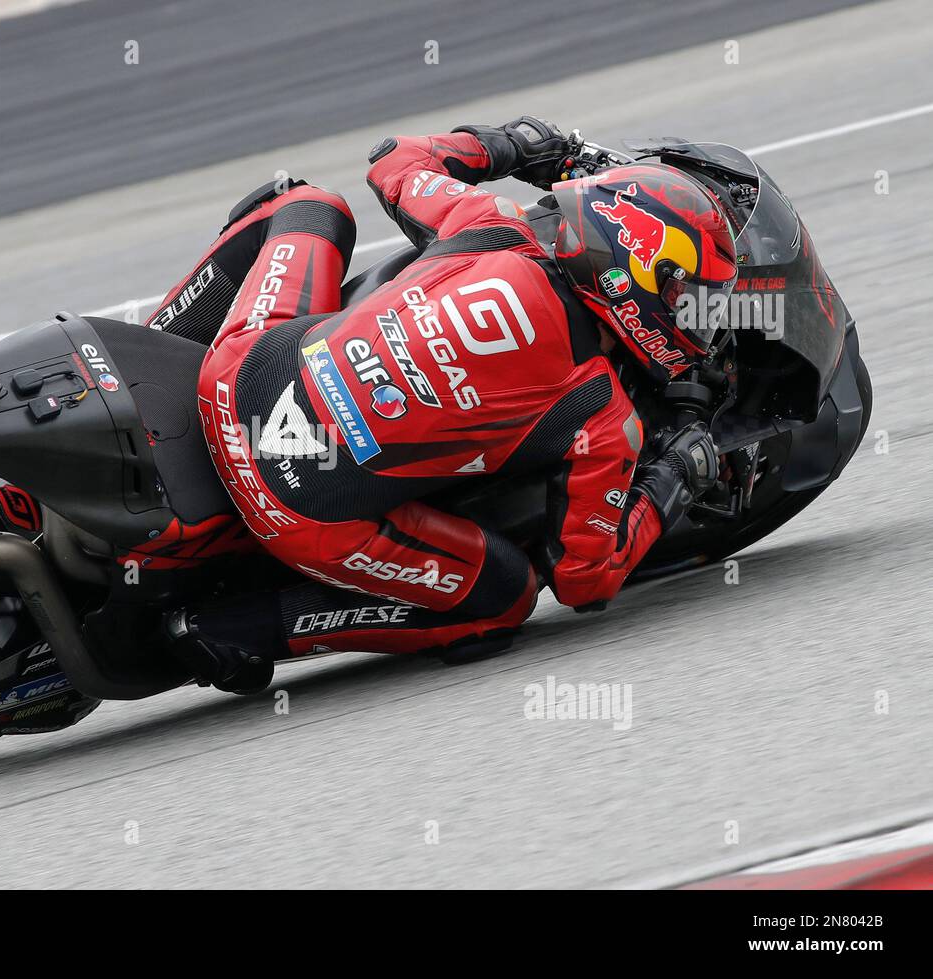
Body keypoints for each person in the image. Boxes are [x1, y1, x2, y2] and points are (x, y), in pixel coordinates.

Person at [147, 117, 736, 693]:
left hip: (230, 377)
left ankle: (147, 359)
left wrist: (517, 147)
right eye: (688, 297)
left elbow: (394, 160)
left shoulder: (492, 223)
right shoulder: (602, 416)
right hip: (294, 515)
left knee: (304, 204)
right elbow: (586, 581)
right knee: (506, 597)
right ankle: (228, 630)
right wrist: (676, 476)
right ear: (631, 277)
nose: (698, 321)